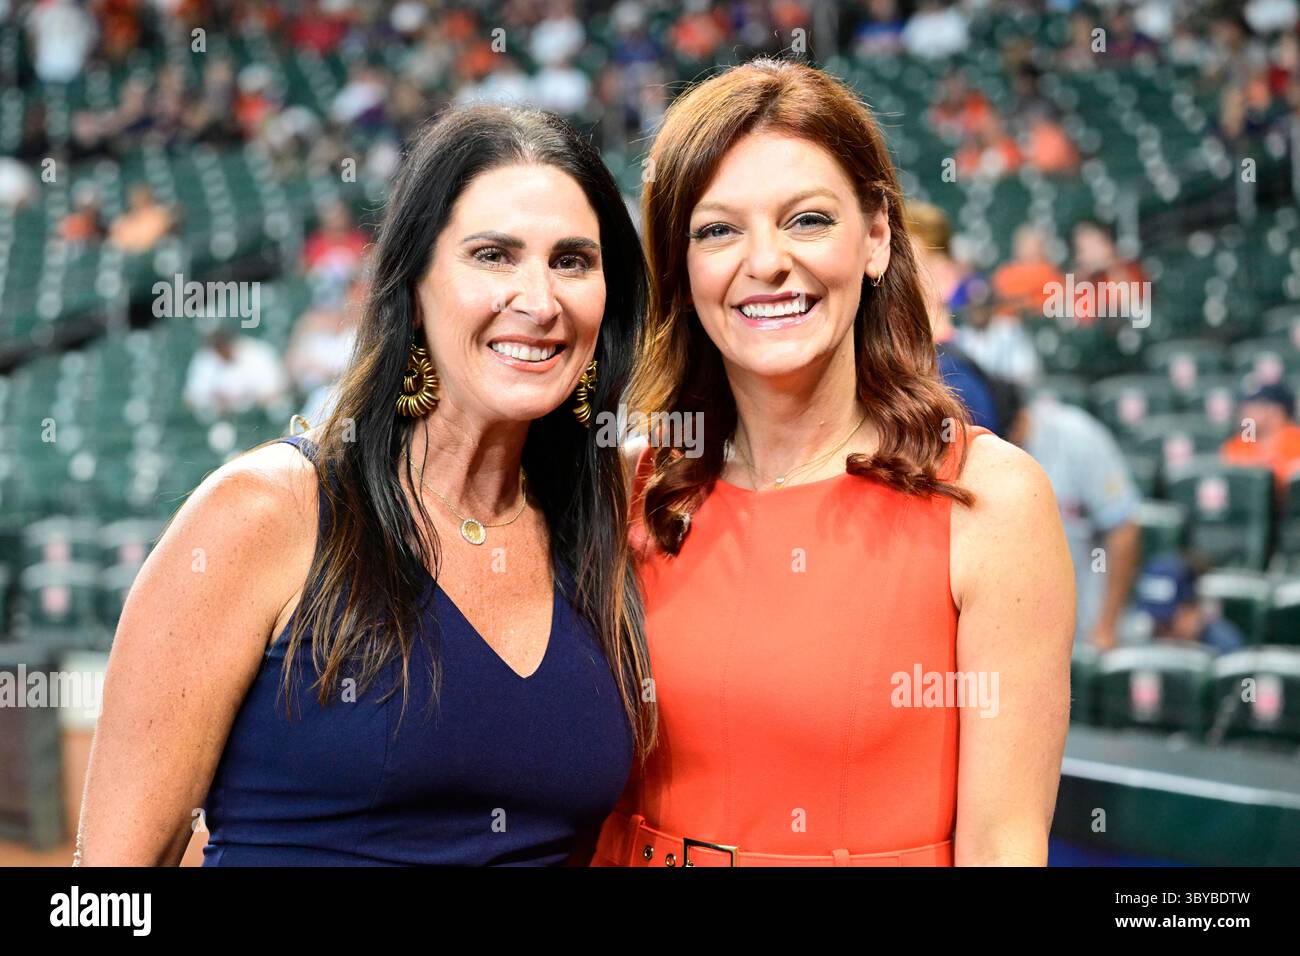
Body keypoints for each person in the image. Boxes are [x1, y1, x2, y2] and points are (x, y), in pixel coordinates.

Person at [77, 104, 654, 866]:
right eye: (493, 255)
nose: (540, 301)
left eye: (573, 261)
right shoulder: (264, 512)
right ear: (413, 283)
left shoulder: (609, 518)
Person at [594, 59, 1075, 868]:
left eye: (807, 220)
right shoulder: (626, 489)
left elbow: (1003, 846)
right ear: (679, 266)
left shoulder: (991, 501)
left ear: (878, 236)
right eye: (717, 230)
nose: (767, 261)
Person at [1003, 389, 1142, 651]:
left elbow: (1124, 528)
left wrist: (1107, 625)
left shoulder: (1077, 437)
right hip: (1021, 632)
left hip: (1084, 628)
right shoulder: (987, 458)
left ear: (1020, 419)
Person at [1134, 555, 1244, 655]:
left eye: (1167, 623)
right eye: (1156, 623)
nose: (1161, 635)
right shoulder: (1138, 641)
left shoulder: (1224, 646)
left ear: (1192, 610)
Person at [182, 326, 293, 419]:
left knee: (278, 408)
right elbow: (191, 398)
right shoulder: (205, 358)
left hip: (258, 415)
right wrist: (215, 399)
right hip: (222, 417)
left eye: (222, 345)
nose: (221, 350)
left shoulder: (256, 352)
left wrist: (249, 397)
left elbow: (277, 386)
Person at [1219, 381, 1300, 499]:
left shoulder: (1296, 439)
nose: (1246, 411)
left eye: (1255, 405)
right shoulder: (1242, 441)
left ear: (1276, 410)